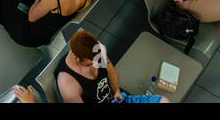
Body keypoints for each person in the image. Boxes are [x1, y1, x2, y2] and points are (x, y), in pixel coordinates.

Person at [14, 29, 164, 104]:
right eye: (91, 62)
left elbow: (110, 70)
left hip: (117, 100)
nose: (98, 63)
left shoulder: (96, 49)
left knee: (163, 101)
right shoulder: (67, 82)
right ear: (77, 58)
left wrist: (117, 90)